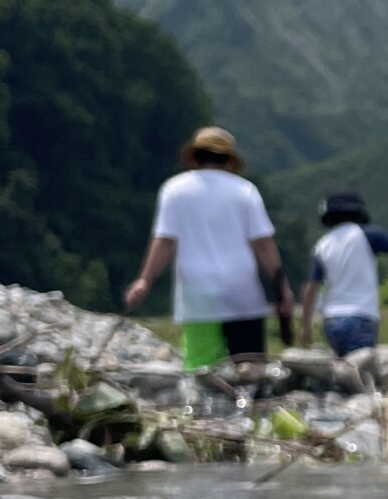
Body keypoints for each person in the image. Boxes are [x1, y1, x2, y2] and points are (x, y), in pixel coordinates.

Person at [123, 126, 294, 369]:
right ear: (229, 160)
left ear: (195, 157)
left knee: (202, 369)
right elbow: (263, 244)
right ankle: (250, 405)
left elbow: (164, 242)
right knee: (249, 367)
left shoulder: (174, 190)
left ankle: (203, 406)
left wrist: (144, 281)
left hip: (196, 290)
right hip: (241, 288)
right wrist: (282, 288)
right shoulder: (245, 191)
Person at [301, 189, 388, 357]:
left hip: (332, 320)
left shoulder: (322, 245)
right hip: (360, 317)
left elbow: (310, 288)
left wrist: (305, 326)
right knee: (361, 374)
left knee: (343, 374)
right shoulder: (366, 235)